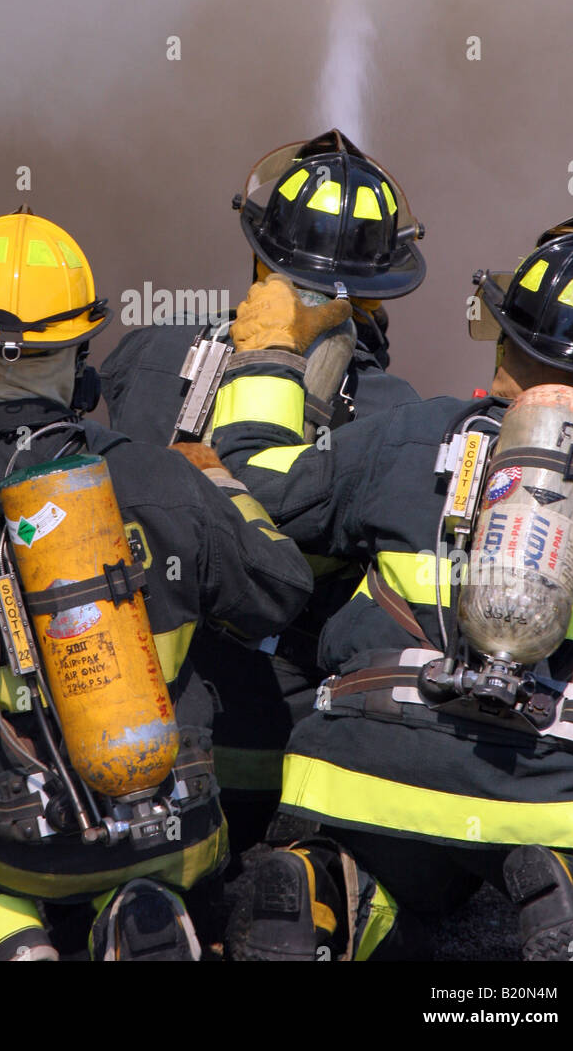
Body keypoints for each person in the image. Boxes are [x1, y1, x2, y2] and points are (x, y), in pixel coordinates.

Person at [0, 208, 314, 961]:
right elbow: (279, 589)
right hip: (174, 827)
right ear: (83, 356)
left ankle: (4, 937)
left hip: (10, 840)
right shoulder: (162, 477)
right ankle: (141, 907)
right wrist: (220, 480)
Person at [211, 226, 573, 961]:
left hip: (356, 777)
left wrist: (269, 353)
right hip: (543, 798)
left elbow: (255, 481)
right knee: (569, 845)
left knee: (368, 871)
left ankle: (325, 881)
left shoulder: (414, 432)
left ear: (501, 337)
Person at [101, 132, 426, 852]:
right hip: (279, 772)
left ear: (260, 252)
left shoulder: (148, 354)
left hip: (124, 750)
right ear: (375, 290)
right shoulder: (398, 416)